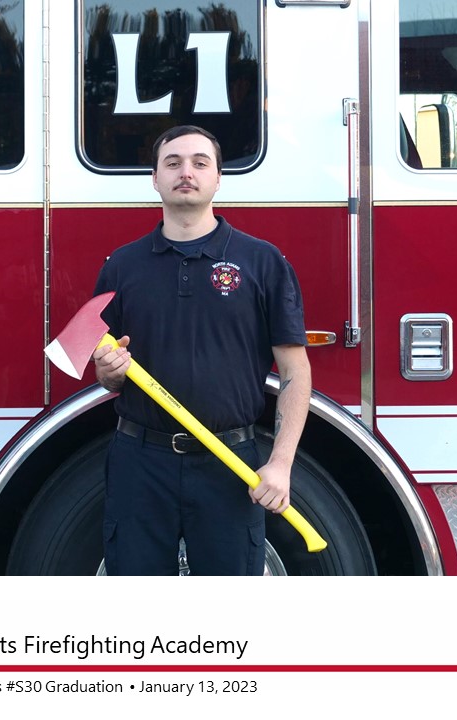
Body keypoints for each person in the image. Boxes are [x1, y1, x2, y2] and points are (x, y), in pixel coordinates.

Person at [92, 125, 311, 575]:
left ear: (218, 178)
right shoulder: (122, 266)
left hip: (231, 465)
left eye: (199, 162)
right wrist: (109, 370)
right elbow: (105, 373)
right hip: (139, 464)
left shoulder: (262, 262)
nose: (186, 172)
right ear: (155, 179)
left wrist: (280, 464)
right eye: (172, 163)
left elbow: (294, 370)